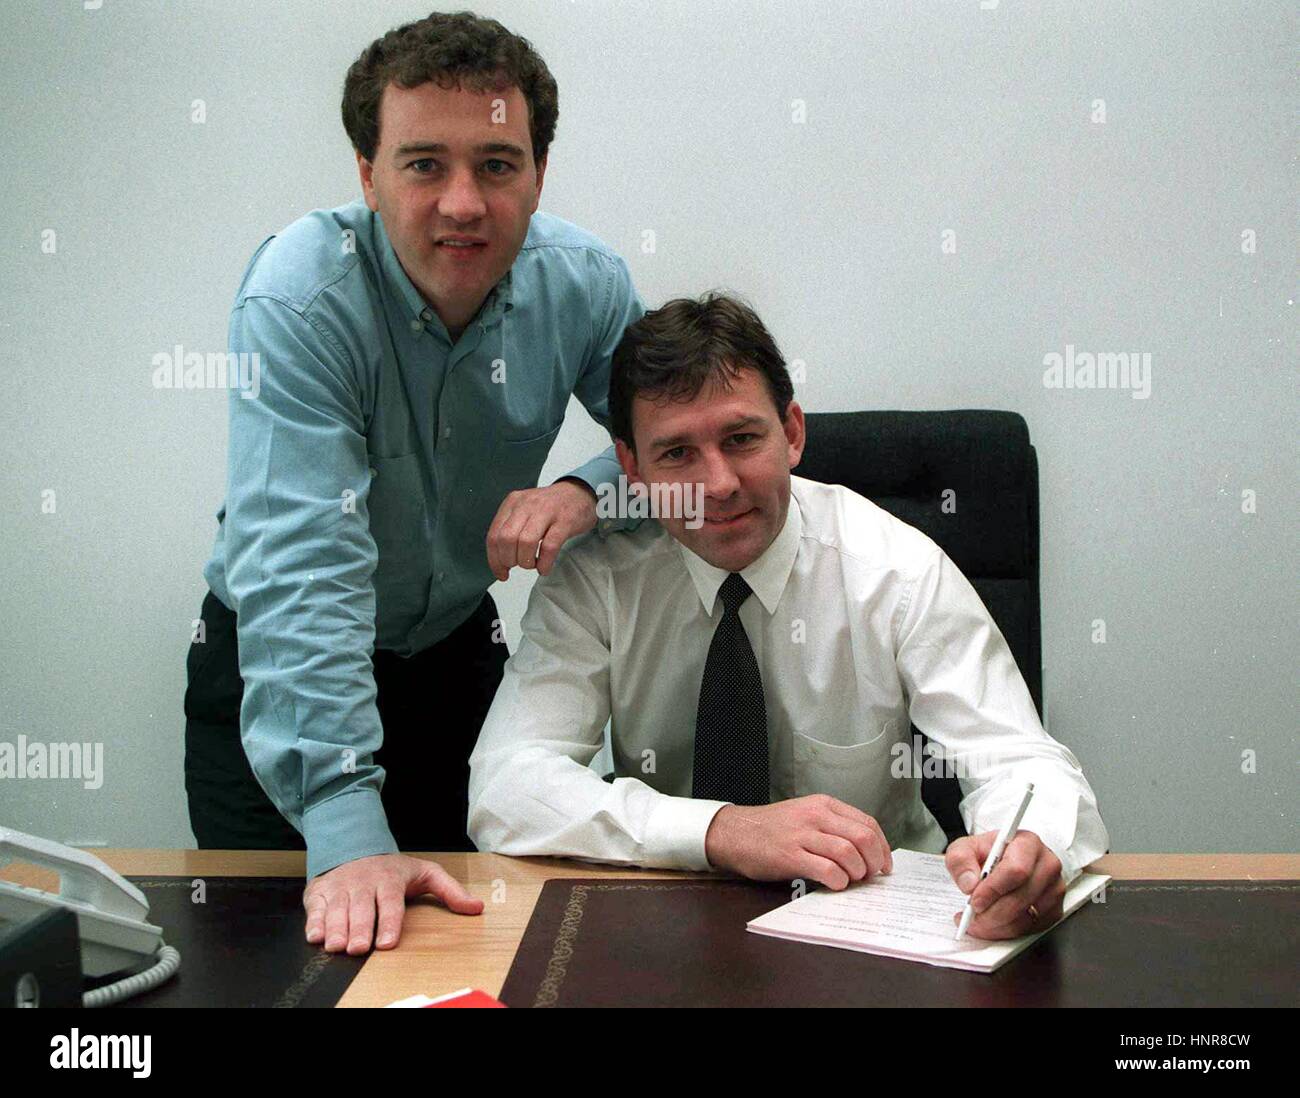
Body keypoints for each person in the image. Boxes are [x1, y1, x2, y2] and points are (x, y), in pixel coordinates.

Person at [184, 11, 643, 955]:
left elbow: (682, 447)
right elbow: (304, 568)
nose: (464, 202)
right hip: (279, 673)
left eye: (498, 164)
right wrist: (347, 827)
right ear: (367, 173)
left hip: (452, 665)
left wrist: (592, 489)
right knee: (290, 965)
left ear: (540, 171)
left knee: (469, 955)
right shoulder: (300, 296)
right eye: (425, 163)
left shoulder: (588, 285)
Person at [468, 291, 1110, 939]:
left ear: (793, 432)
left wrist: (1030, 843)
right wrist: (719, 830)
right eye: (677, 454)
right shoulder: (595, 577)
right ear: (631, 467)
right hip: (667, 927)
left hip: (886, 933)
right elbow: (506, 785)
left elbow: (1017, 758)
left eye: (741, 438)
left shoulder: (897, 569)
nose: (717, 484)